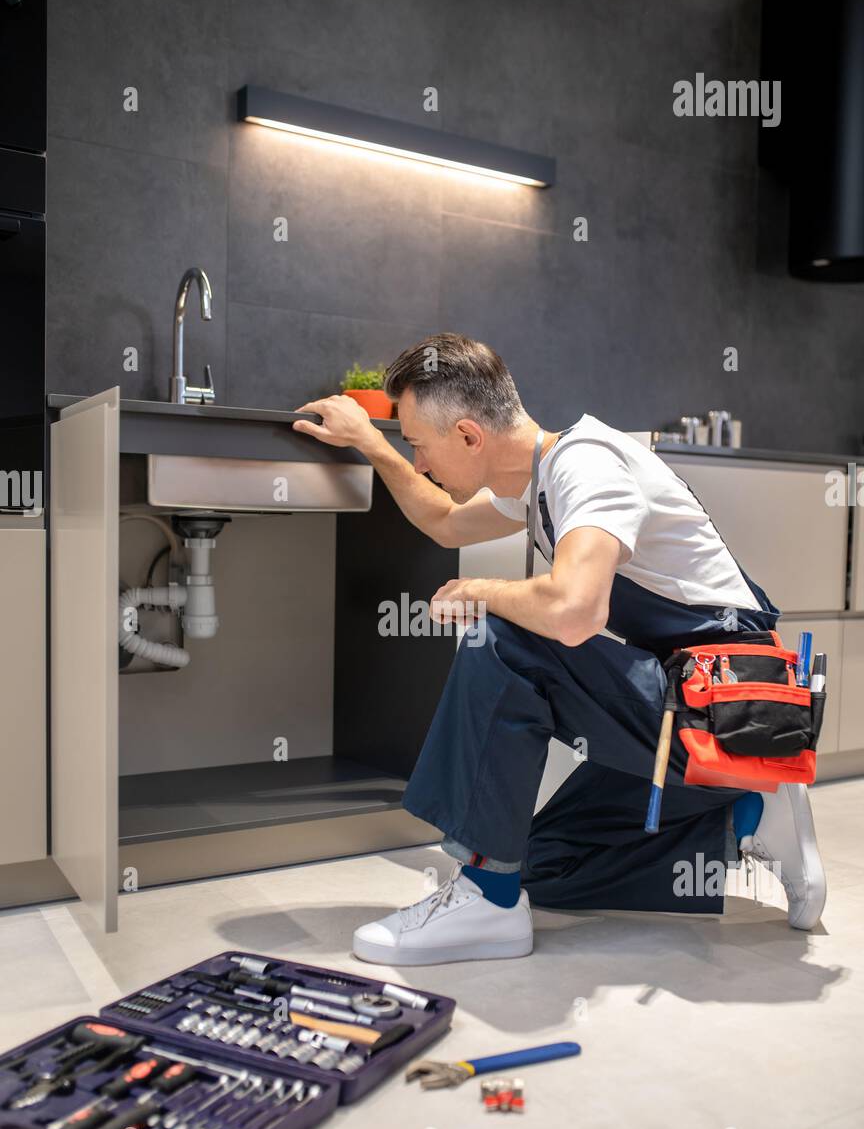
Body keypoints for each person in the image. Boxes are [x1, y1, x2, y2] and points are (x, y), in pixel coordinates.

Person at [293, 333, 827, 965]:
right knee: (545, 865)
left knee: (503, 636)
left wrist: (481, 590)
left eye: (420, 444)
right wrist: (372, 443)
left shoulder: (589, 465)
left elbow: (575, 613)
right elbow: (443, 519)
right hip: (681, 703)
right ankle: (746, 814)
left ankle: (485, 899)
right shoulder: (539, 482)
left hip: (728, 703)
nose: (423, 460)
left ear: (468, 435)